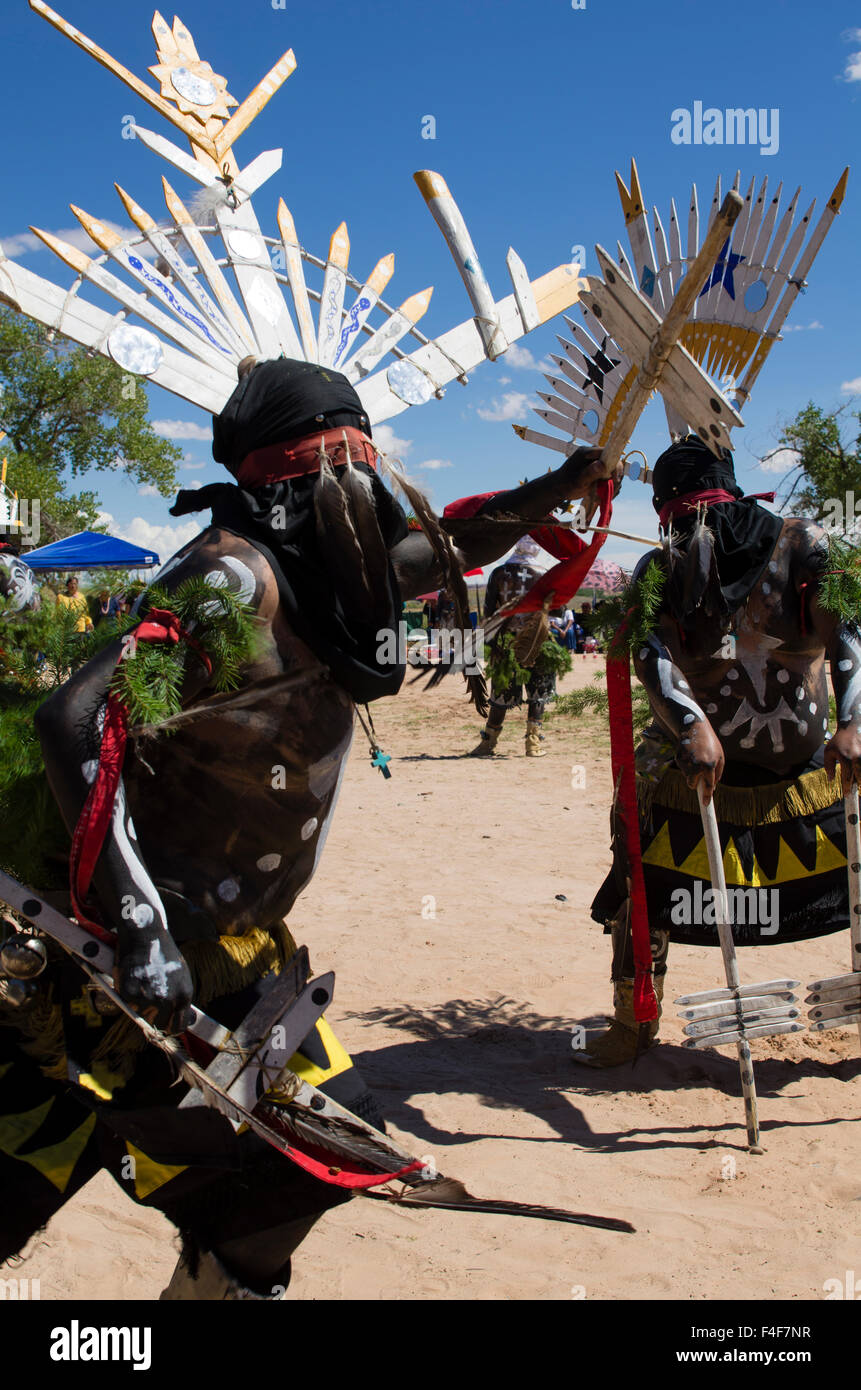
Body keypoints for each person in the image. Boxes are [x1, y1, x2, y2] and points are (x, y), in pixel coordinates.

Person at [1, 355, 611, 1296]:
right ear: (285, 479)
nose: (357, 483)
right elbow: (72, 718)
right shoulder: (229, 577)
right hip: (90, 945)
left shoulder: (334, 578)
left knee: (294, 1169)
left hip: (230, 957)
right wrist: (138, 923)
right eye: (332, 463)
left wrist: (558, 485)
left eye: (360, 461)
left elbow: (454, 544)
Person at [579, 434, 861, 1067]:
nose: (689, 531)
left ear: (727, 501)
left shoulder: (806, 547)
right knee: (641, 881)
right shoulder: (663, 573)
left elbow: (849, 632)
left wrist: (853, 720)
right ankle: (634, 1018)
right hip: (697, 777)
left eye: (697, 515)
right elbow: (648, 654)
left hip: (813, 772)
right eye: (676, 521)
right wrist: (690, 726)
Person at [469, 537, 559, 758]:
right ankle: (533, 744)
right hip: (540, 641)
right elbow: (559, 609)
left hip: (506, 642)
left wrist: (490, 643)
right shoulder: (547, 575)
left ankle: (488, 743)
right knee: (538, 693)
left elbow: (489, 613)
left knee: (501, 695)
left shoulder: (499, 574)